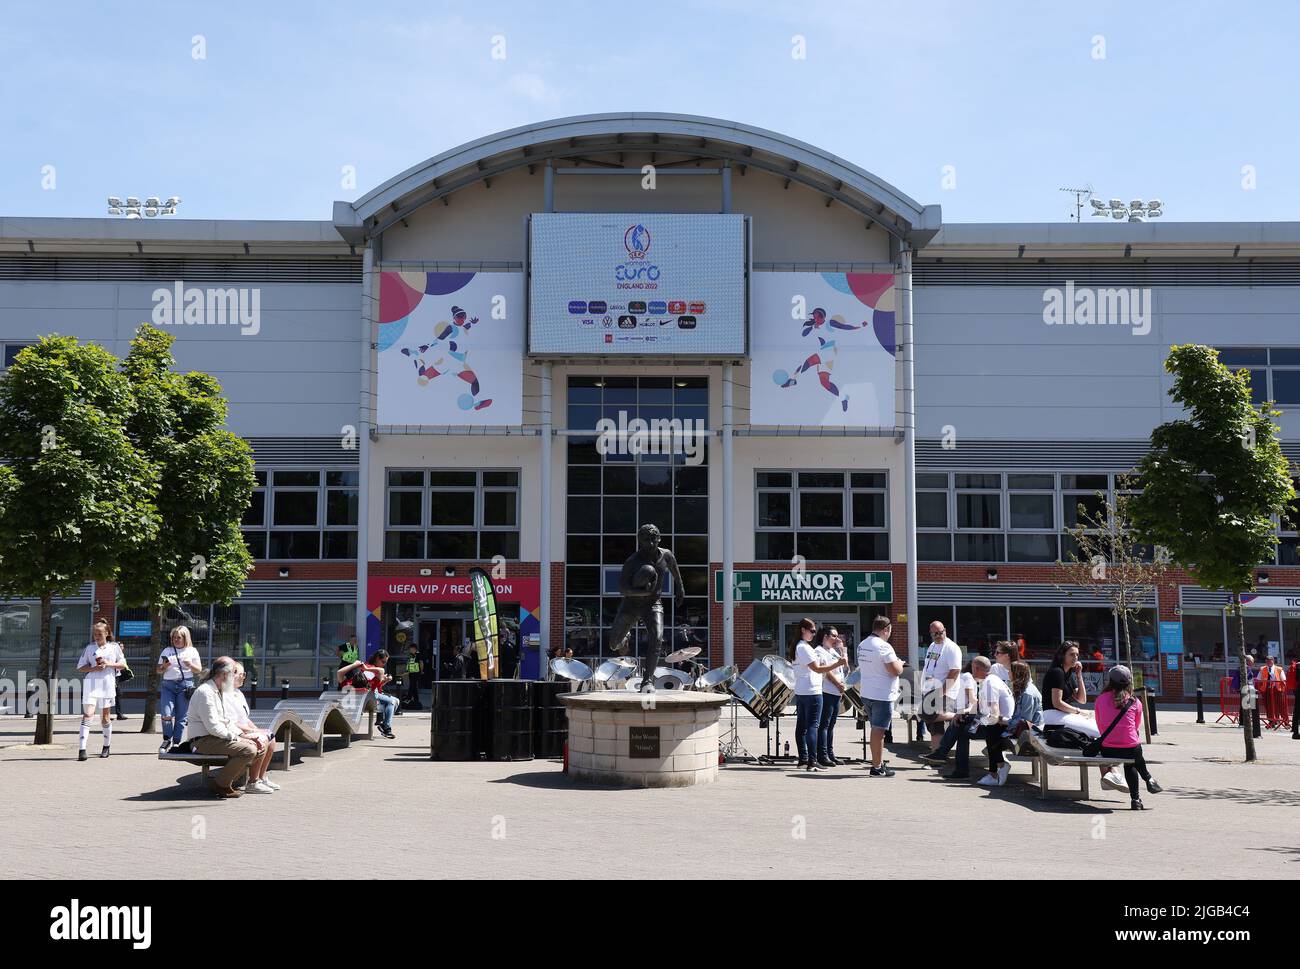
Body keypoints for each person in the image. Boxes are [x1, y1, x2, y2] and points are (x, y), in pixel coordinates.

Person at [1041, 641, 1126, 788]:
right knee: (1100, 732)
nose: (1075, 658)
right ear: (1062, 655)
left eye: (1077, 655)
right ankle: (1112, 772)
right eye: (1071, 654)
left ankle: (1108, 774)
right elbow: (1057, 703)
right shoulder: (1057, 672)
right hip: (1053, 715)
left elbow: (1081, 699)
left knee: (1099, 734)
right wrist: (1080, 712)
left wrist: (1079, 676)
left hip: (1064, 714)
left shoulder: (1068, 673)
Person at [182, 656, 260, 798]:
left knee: (258, 745)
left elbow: (226, 721)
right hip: (202, 741)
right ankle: (220, 784)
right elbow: (213, 727)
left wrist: (242, 735)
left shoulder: (218, 690)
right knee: (248, 750)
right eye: (233, 673)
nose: (236, 676)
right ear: (224, 674)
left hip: (214, 738)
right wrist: (237, 738)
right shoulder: (205, 692)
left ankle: (226, 781)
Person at [1094, 665, 1162, 809]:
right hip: (1131, 748)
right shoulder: (1135, 702)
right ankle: (1138, 795)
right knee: (1132, 758)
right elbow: (1136, 728)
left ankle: (1147, 781)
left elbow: (1100, 725)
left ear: (1110, 681)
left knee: (1131, 754)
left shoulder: (1100, 699)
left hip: (1108, 748)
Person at [943, 656, 1014, 785]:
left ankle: (996, 769)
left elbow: (994, 710)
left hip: (1002, 725)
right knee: (963, 724)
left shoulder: (989, 683)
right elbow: (981, 705)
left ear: (975, 668)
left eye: (972, 669)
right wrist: (962, 712)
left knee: (965, 730)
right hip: (999, 722)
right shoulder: (991, 680)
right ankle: (947, 758)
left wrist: (982, 722)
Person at [790, 619, 846, 771]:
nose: (814, 634)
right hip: (812, 691)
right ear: (803, 630)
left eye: (815, 631)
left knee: (802, 727)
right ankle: (812, 761)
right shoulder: (804, 647)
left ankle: (804, 759)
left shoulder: (799, 646)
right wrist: (837, 664)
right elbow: (818, 669)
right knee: (812, 726)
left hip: (803, 690)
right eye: (812, 631)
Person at [857, 616, 904, 777]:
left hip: (867, 693)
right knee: (879, 731)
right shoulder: (884, 647)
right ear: (886, 629)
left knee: (875, 730)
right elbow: (895, 671)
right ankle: (876, 767)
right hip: (882, 695)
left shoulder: (862, 644)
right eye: (890, 631)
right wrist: (899, 662)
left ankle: (877, 763)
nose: (890, 634)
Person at [76, 619, 126, 761]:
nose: (96, 637)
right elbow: (80, 667)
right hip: (91, 684)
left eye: (99, 634)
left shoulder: (114, 647)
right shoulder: (90, 648)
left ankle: (106, 746)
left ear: (107, 633)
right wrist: (94, 668)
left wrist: (108, 664)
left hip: (107, 684)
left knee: (105, 717)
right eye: (95, 634)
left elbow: (122, 665)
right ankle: (82, 749)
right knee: (88, 714)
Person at [227, 662, 279, 793]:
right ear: (231, 675)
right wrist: (254, 731)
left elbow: (245, 718)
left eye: (245, 674)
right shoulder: (226, 695)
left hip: (243, 729)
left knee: (271, 739)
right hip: (234, 732)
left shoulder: (238, 693)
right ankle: (252, 782)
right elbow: (231, 722)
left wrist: (257, 728)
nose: (244, 677)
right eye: (241, 674)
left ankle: (261, 777)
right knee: (262, 739)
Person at [920, 659, 979, 768]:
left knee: (929, 717)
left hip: (957, 708)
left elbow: (971, 700)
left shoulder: (965, 676)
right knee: (930, 718)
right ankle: (936, 759)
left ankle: (937, 758)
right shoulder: (966, 677)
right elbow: (971, 699)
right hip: (955, 708)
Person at [156, 624, 203, 754]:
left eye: (178, 637)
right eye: (174, 637)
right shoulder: (167, 651)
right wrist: (164, 667)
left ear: (185, 638)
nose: (175, 640)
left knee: (182, 717)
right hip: (168, 685)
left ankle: (176, 742)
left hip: (185, 685)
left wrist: (190, 665)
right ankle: (167, 739)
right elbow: (158, 670)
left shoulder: (192, 651)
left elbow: (198, 670)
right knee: (166, 714)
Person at [920, 620, 962, 752]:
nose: (938, 635)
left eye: (940, 632)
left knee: (925, 713)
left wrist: (942, 692)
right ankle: (936, 755)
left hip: (945, 691)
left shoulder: (951, 648)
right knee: (934, 724)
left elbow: (954, 671)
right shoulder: (932, 646)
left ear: (945, 631)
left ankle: (957, 714)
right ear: (930, 634)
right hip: (930, 689)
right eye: (935, 634)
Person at [338, 650, 397, 738]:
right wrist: (367, 669)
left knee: (393, 702)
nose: (384, 664)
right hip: (366, 705)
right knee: (392, 702)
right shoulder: (366, 688)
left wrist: (354, 665)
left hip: (354, 706)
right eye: (383, 661)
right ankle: (386, 726)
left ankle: (385, 725)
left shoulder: (348, 683)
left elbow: (339, 672)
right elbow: (380, 672)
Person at [815, 626, 849, 767]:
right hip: (827, 691)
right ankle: (822, 755)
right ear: (825, 636)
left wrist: (843, 651)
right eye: (834, 636)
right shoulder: (819, 651)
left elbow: (845, 667)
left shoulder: (834, 651)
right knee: (824, 724)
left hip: (836, 692)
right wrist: (837, 685)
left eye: (837, 636)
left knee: (831, 725)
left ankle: (830, 753)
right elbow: (826, 672)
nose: (837, 639)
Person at [1004, 660, 1044, 748]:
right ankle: (998, 759)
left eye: (1010, 670)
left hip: (1031, 732)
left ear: (1017, 673)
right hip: (1022, 728)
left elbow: (1025, 720)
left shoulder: (1027, 693)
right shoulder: (1022, 688)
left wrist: (1005, 722)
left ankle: (998, 760)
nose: (1008, 672)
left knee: (993, 734)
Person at [402, 643, 424, 709]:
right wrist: (407, 671)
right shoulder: (411, 655)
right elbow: (410, 664)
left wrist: (421, 671)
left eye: (411, 649)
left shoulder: (418, 655)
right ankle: (416, 700)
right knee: (414, 687)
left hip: (416, 673)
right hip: (411, 673)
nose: (410, 650)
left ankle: (408, 698)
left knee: (412, 686)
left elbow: (421, 663)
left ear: (414, 649)